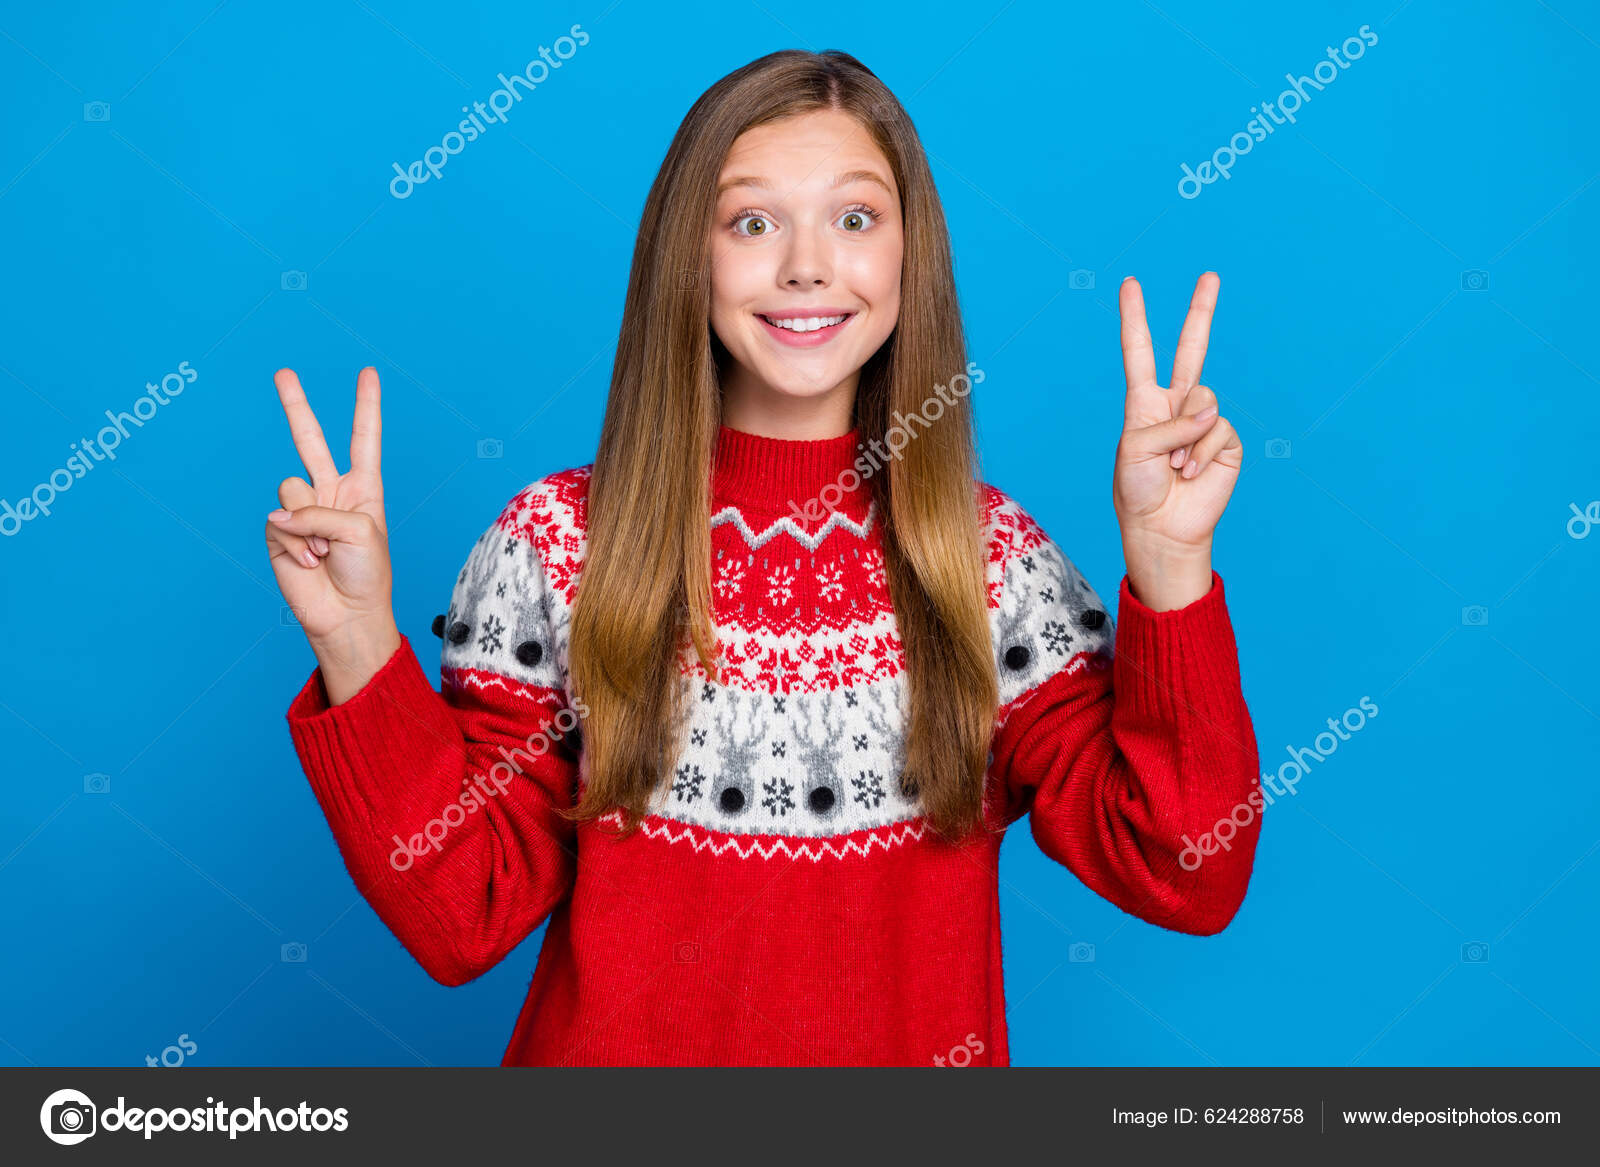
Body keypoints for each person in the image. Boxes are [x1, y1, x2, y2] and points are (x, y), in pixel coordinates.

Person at [266, 49, 1259, 1067]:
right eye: (751, 222)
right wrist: (354, 643)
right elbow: (459, 911)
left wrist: (1172, 569)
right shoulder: (558, 545)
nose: (806, 266)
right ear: (685, 257)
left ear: (911, 256)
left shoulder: (988, 562)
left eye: (856, 218)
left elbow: (1183, 871)